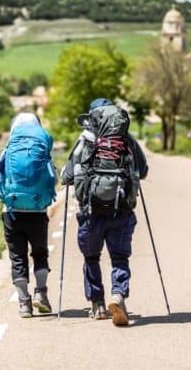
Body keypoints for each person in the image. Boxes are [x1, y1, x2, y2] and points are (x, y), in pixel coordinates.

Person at [61, 98, 148, 326]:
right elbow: (143, 170)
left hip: (91, 212)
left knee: (91, 257)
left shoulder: (86, 140)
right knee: (119, 258)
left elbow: (67, 176)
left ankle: (98, 305)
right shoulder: (126, 140)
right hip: (122, 211)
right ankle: (118, 295)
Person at [0, 112, 56, 318]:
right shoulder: (42, 146)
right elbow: (51, 176)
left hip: (11, 212)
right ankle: (41, 295)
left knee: (17, 258)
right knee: (40, 253)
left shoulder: (10, 147)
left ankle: (24, 304)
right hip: (37, 211)